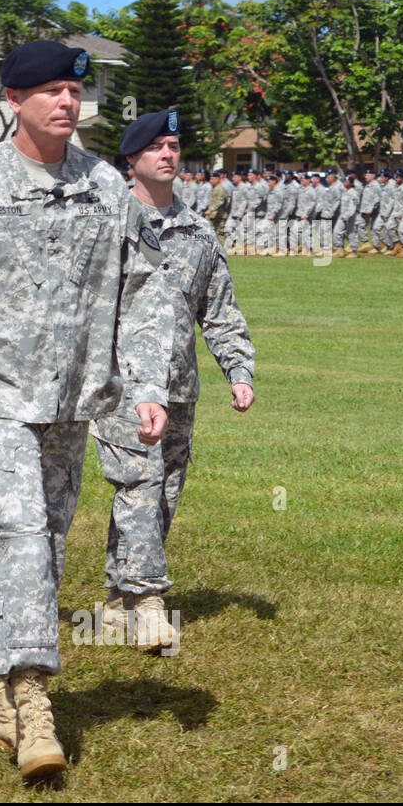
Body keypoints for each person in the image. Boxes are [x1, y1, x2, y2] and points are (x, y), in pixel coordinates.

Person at [0, 41, 172, 780]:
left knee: (44, 547)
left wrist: (146, 386)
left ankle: (6, 707)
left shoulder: (106, 187)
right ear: (13, 102)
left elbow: (146, 288)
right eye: (47, 91)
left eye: (72, 92)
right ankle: (33, 697)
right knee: (17, 537)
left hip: (70, 405)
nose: (65, 103)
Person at [89, 109, 255, 651]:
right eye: (156, 146)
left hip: (179, 387)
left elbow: (220, 309)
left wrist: (238, 369)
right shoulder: (105, 223)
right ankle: (149, 602)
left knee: (163, 494)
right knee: (139, 483)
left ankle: (115, 601)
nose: (168, 154)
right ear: (132, 159)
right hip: (122, 384)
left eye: (174, 145)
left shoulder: (197, 231)